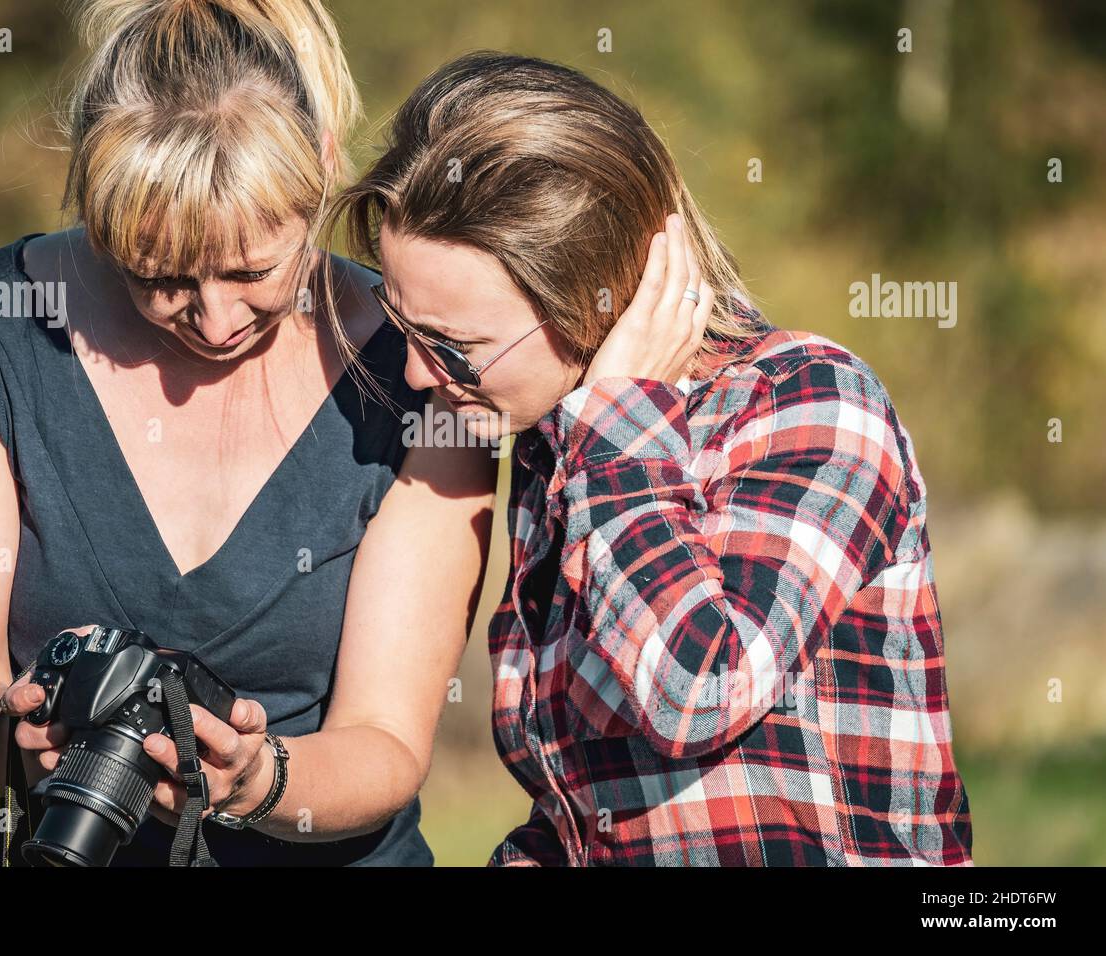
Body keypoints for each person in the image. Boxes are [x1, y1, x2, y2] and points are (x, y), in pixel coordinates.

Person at [328, 51, 973, 866]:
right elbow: (595, 810)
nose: (420, 374)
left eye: (457, 349)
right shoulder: (555, 451)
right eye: (403, 326)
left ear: (595, 295)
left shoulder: (810, 403)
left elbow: (697, 692)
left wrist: (619, 426)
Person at [0, 0, 495, 866]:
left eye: (254, 270)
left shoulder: (416, 372)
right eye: (158, 276)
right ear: (98, 214)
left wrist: (259, 781)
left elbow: (387, 741)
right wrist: (13, 739)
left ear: (321, 169)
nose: (213, 322)